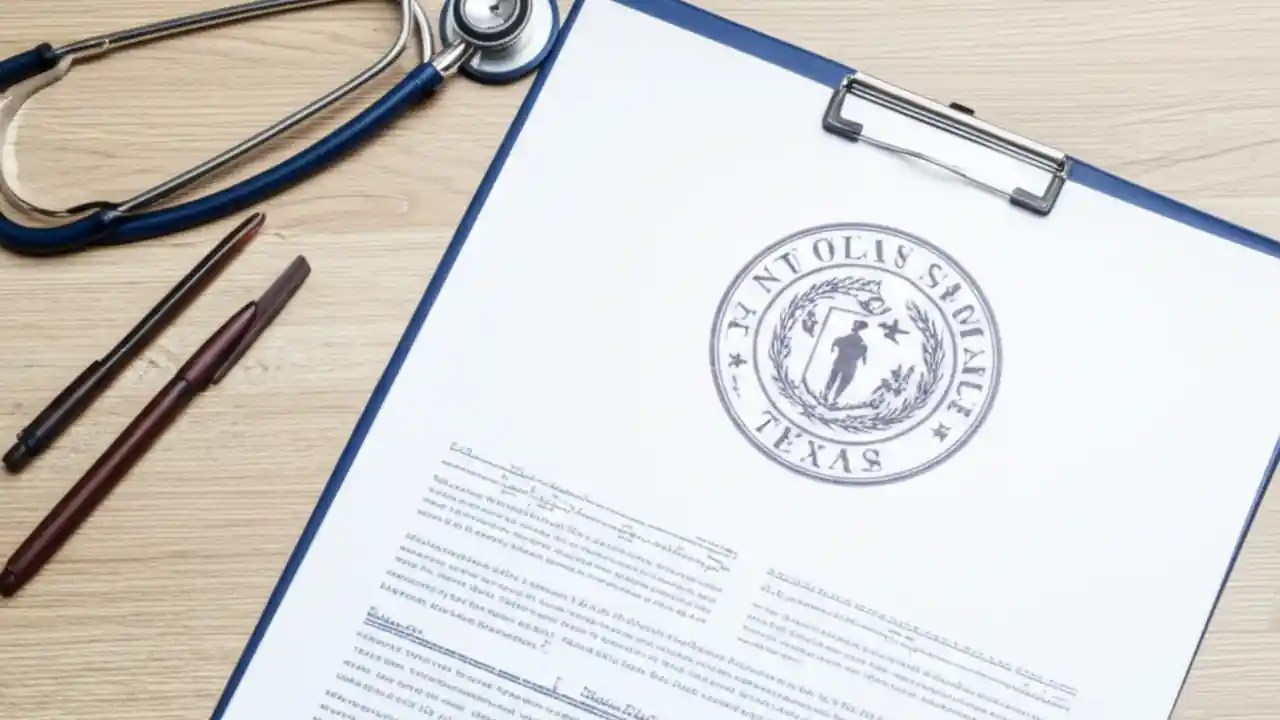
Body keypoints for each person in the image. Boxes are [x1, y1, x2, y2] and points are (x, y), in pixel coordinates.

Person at [824, 320, 869, 404]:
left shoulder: (851, 338)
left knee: (834, 379)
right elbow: (862, 353)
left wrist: (834, 346)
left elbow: (838, 341)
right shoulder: (861, 343)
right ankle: (833, 398)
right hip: (848, 366)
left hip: (842, 363)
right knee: (841, 383)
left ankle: (828, 396)